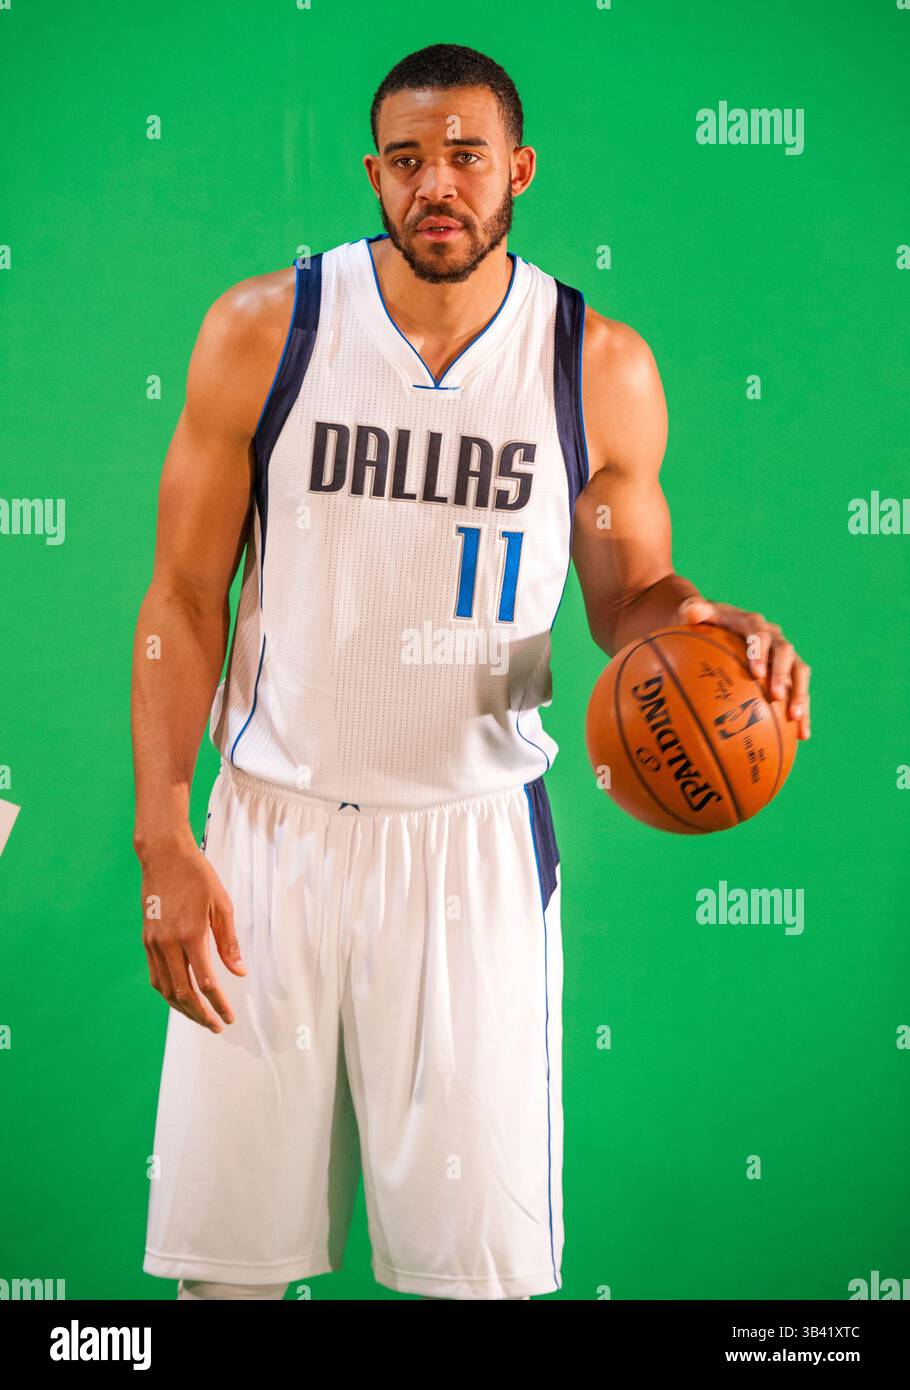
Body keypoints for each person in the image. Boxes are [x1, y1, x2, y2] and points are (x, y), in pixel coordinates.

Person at [132, 42, 811, 1303]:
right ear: (374, 175)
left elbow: (629, 600)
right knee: (224, 1280)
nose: (435, 183)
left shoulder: (592, 364)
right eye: (407, 160)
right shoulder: (266, 330)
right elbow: (181, 599)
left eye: (464, 156)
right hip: (266, 844)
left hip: (472, 849)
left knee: (475, 1281)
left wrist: (706, 620)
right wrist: (164, 837)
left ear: (518, 170)